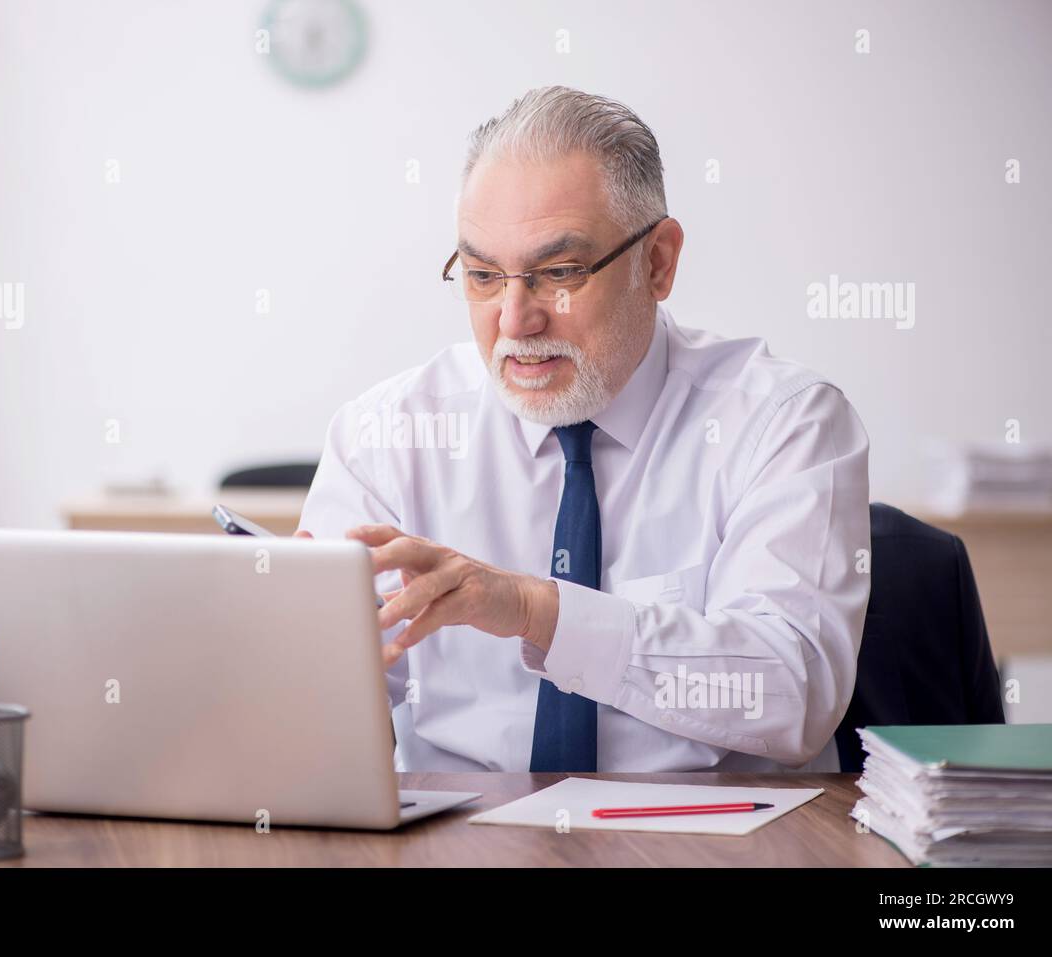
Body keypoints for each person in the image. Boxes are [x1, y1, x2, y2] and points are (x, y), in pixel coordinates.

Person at [298, 86, 870, 773]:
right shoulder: (385, 436)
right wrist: (292, 645)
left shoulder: (783, 421)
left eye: (560, 273)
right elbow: (313, 704)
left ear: (657, 262)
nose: (514, 320)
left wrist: (536, 611)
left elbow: (789, 690)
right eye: (482, 275)